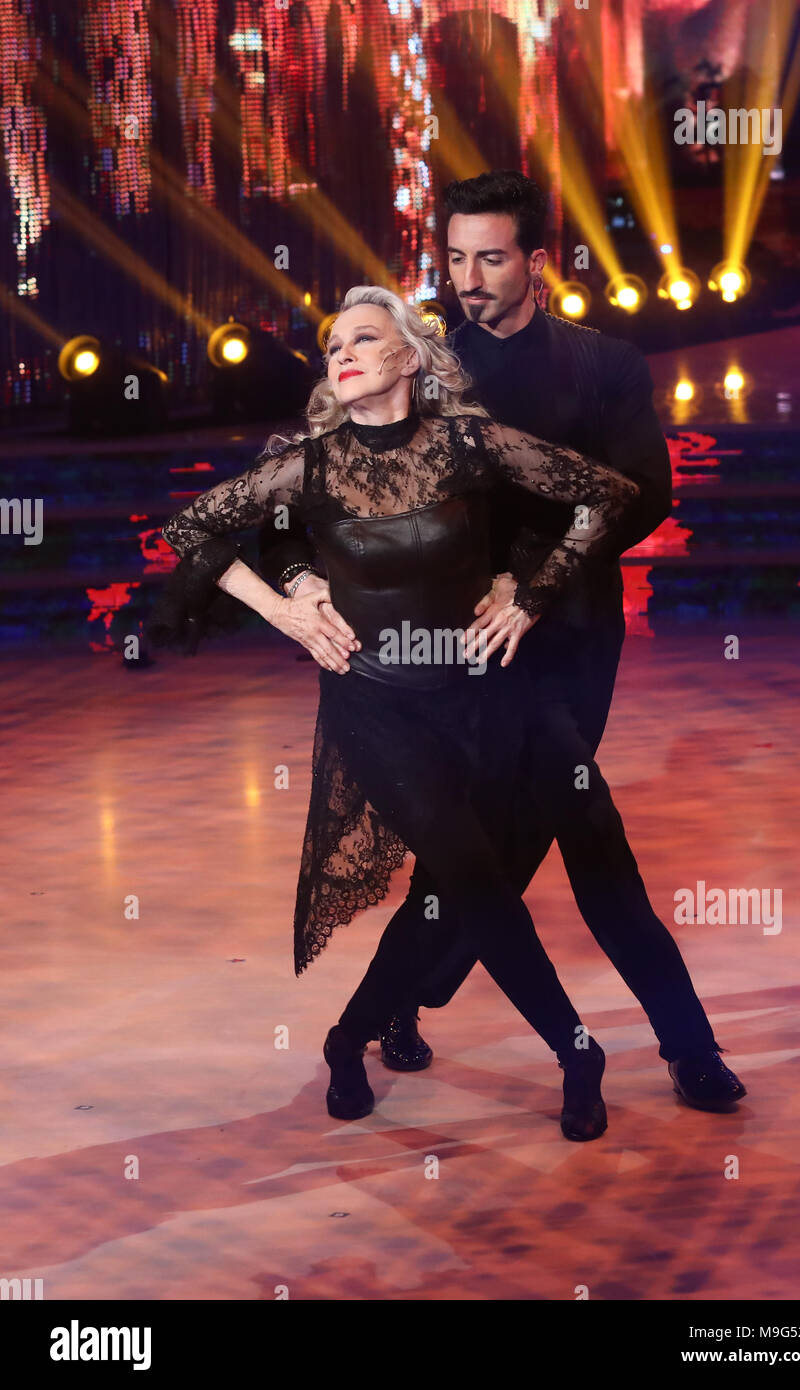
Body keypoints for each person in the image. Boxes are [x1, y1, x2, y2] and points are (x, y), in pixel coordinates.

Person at [258, 172, 747, 1113]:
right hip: (454, 660)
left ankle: (665, 1045)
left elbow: (645, 495)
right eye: (453, 257)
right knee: (489, 858)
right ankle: (680, 1045)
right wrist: (299, 579)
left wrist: (536, 584)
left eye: (490, 257)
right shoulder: (422, 364)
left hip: (566, 648)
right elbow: (298, 490)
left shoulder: (604, 365)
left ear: (537, 262)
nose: (468, 277)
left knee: (562, 846)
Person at [148, 285, 643, 1142]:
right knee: (480, 884)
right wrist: (288, 611)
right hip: (374, 703)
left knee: (446, 898)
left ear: (409, 358)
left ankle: (347, 1040)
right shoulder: (308, 464)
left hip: (479, 695)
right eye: (334, 341)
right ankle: (576, 1051)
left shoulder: (470, 443)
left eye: (365, 338)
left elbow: (608, 494)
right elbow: (189, 527)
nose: (341, 351)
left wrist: (531, 594)